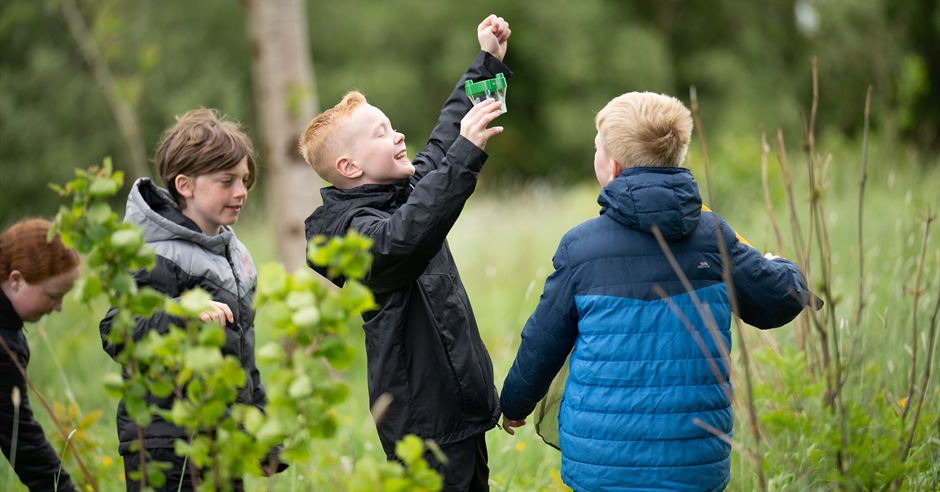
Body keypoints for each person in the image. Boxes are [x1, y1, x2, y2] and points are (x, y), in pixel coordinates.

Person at [498, 92, 810, 491]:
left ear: (612, 165)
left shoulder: (581, 248)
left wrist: (514, 404)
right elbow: (779, 300)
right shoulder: (714, 236)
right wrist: (783, 267)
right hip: (694, 467)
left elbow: (541, 343)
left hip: (601, 467)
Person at [299, 14, 511, 492]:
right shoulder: (349, 233)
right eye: (379, 133)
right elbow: (404, 240)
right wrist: (466, 153)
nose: (396, 136)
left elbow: (443, 137)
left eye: (391, 126)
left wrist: (486, 62)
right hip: (423, 427)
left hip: (462, 411)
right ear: (348, 166)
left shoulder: (408, 188)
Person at [99, 109, 284, 491]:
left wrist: (261, 433)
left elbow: (242, 355)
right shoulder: (154, 253)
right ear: (184, 185)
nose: (242, 191)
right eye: (227, 181)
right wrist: (180, 313)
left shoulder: (233, 254)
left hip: (222, 441)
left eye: (245, 180)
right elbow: (117, 331)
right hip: (165, 446)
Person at [0, 219, 81, 492]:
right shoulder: (3, 346)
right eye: (52, 295)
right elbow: (21, 440)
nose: (58, 307)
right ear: (16, 280)